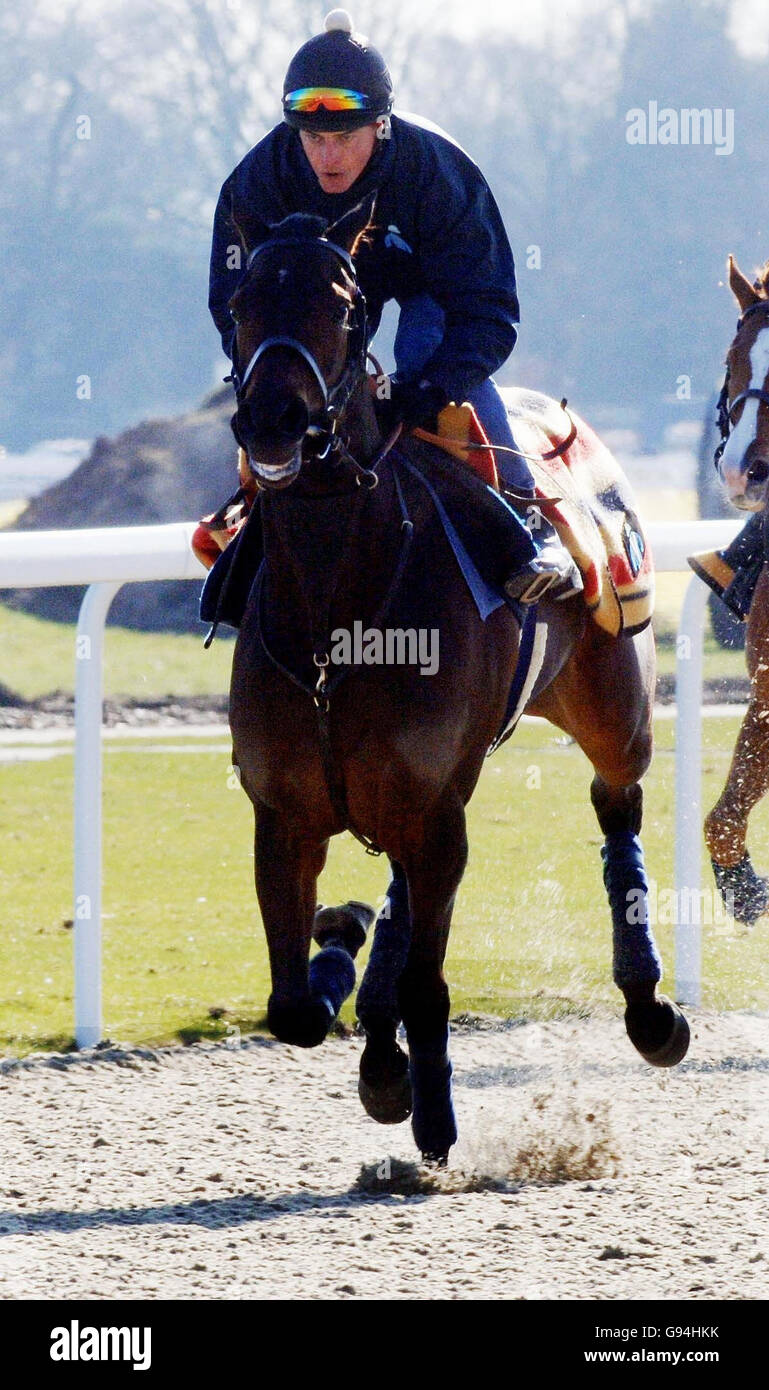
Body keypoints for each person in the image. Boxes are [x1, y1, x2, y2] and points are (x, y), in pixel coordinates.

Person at [206, 9, 582, 605]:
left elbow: (487, 309)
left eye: (344, 138)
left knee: (422, 347)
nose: (327, 158)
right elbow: (236, 308)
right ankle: (246, 519)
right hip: (320, 293)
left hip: (431, 284)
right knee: (294, 371)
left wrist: (435, 386)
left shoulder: (437, 171)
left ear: (380, 127)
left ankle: (530, 523)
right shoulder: (258, 181)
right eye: (313, 139)